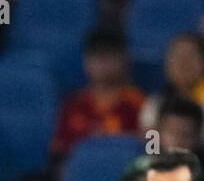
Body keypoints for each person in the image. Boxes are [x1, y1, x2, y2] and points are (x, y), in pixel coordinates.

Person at [50, 28, 145, 168]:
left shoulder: (139, 104)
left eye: (109, 56)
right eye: (95, 56)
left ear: (124, 59)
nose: (101, 62)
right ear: (85, 60)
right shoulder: (73, 104)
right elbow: (59, 152)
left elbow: (148, 151)